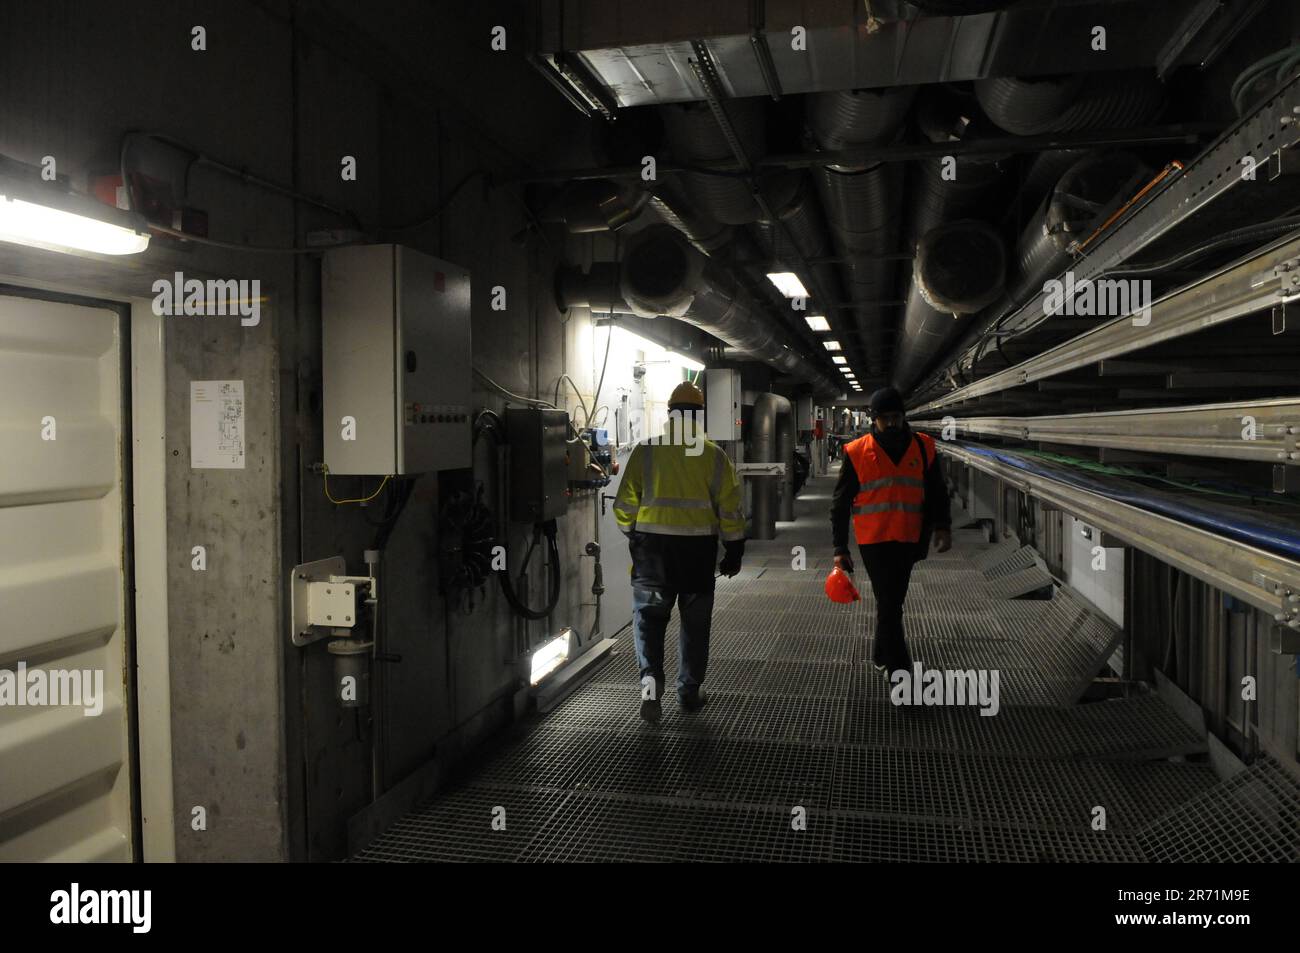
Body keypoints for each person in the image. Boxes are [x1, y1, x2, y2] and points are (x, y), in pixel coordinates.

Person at [613, 381, 746, 723]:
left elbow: (624, 505)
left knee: (648, 624)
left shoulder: (647, 451)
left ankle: (649, 691)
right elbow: (730, 511)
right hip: (697, 557)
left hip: (652, 556)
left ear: (670, 415)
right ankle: (688, 693)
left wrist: (635, 535)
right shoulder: (715, 456)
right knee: (695, 626)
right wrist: (733, 551)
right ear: (699, 416)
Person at [830, 386, 952, 678]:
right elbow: (840, 503)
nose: (893, 423)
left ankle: (881, 653)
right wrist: (839, 548)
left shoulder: (923, 447)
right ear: (874, 420)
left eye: (897, 417)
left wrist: (943, 526)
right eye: (886, 419)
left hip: (910, 538)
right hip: (874, 541)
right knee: (889, 603)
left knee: (892, 602)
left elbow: (937, 491)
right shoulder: (857, 452)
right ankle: (902, 676)